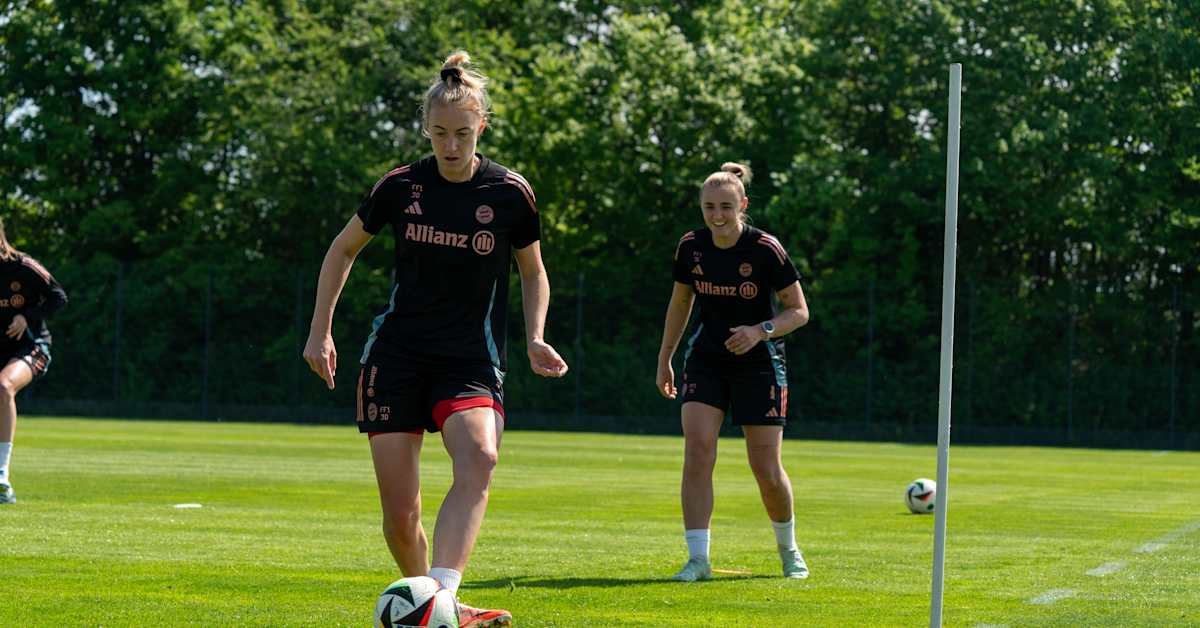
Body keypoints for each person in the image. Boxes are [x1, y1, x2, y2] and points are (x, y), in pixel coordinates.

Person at [302, 51, 567, 627]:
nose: (451, 145)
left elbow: (533, 271)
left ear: (482, 128)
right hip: (395, 358)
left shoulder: (509, 192)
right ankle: (435, 608)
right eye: (441, 133)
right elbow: (342, 250)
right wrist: (320, 331)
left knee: (481, 456)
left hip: (469, 359)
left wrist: (535, 336)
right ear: (426, 128)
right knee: (401, 518)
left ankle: (442, 598)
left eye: (463, 134)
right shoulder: (401, 186)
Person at [655, 162, 811, 581]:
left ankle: (789, 550)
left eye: (726, 206)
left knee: (765, 467)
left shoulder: (766, 249)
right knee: (698, 451)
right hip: (706, 360)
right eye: (709, 207)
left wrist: (760, 331)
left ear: (742, 205)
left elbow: (799, 311)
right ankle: (698, 560)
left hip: (760, 365)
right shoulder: (691, 246)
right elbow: (680, 302)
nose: (717, 215)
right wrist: (665, 357)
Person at [0, 217, 68, 505]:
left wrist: (26, 315)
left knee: (3, 386)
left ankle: (1, 478)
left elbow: (58, 297)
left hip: (31, 346)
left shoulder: (23, 266)